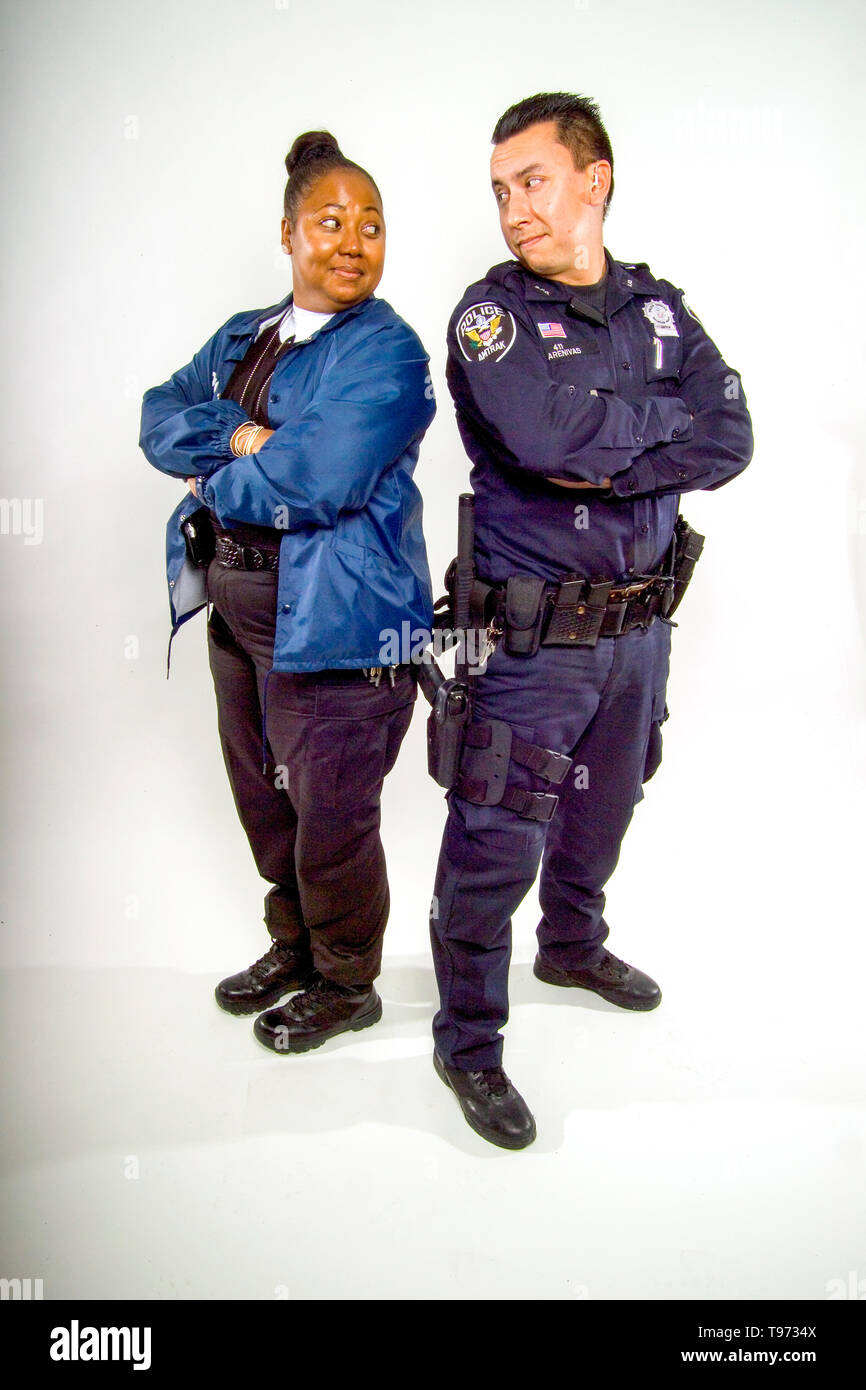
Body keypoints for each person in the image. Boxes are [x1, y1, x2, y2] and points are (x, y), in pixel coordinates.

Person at [429, 92, 754, 1148]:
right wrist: (652, 426)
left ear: (592, 177)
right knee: (492, 837)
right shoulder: (493, 317)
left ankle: (570, 942)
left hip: (640, 633)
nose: (511, 208)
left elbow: (731, 436)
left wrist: (611, 437)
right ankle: (466, 1040)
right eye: (498, 190)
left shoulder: (657, 309)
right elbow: (544, 438)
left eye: (529, 180)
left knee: (608, 802)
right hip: (531, 644)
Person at [139, 131, 435, 1054]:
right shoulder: (245, 334)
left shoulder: (386, 352)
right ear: (287, 232)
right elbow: (158, 416)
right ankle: (295, 947)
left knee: (333, 820)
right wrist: (237, 439)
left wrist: (209, 471)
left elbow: (318, 481)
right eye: (331, 221)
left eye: (373, 225)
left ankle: (349, 982)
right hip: (238, 621)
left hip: (337, 632)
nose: (353, 242)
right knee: (266, 801)